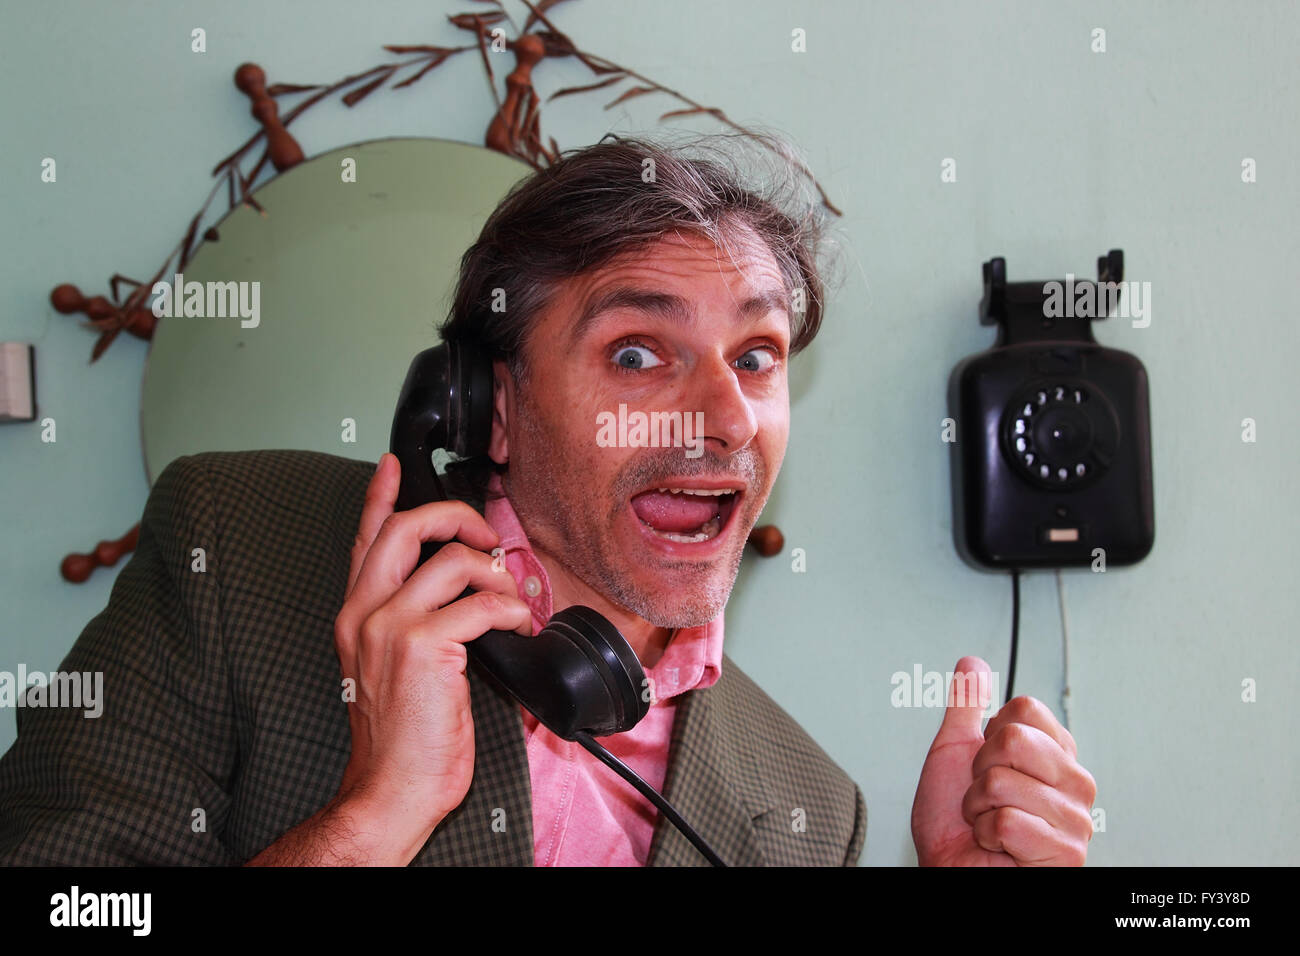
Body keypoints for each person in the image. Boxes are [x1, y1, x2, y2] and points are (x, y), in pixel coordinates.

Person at [0, 133, 1095, 866]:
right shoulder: (233, 547)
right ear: (495, 407)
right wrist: (372, 818)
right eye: (636, 351)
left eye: (754, 356)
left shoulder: (808, 803)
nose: (720, 415)